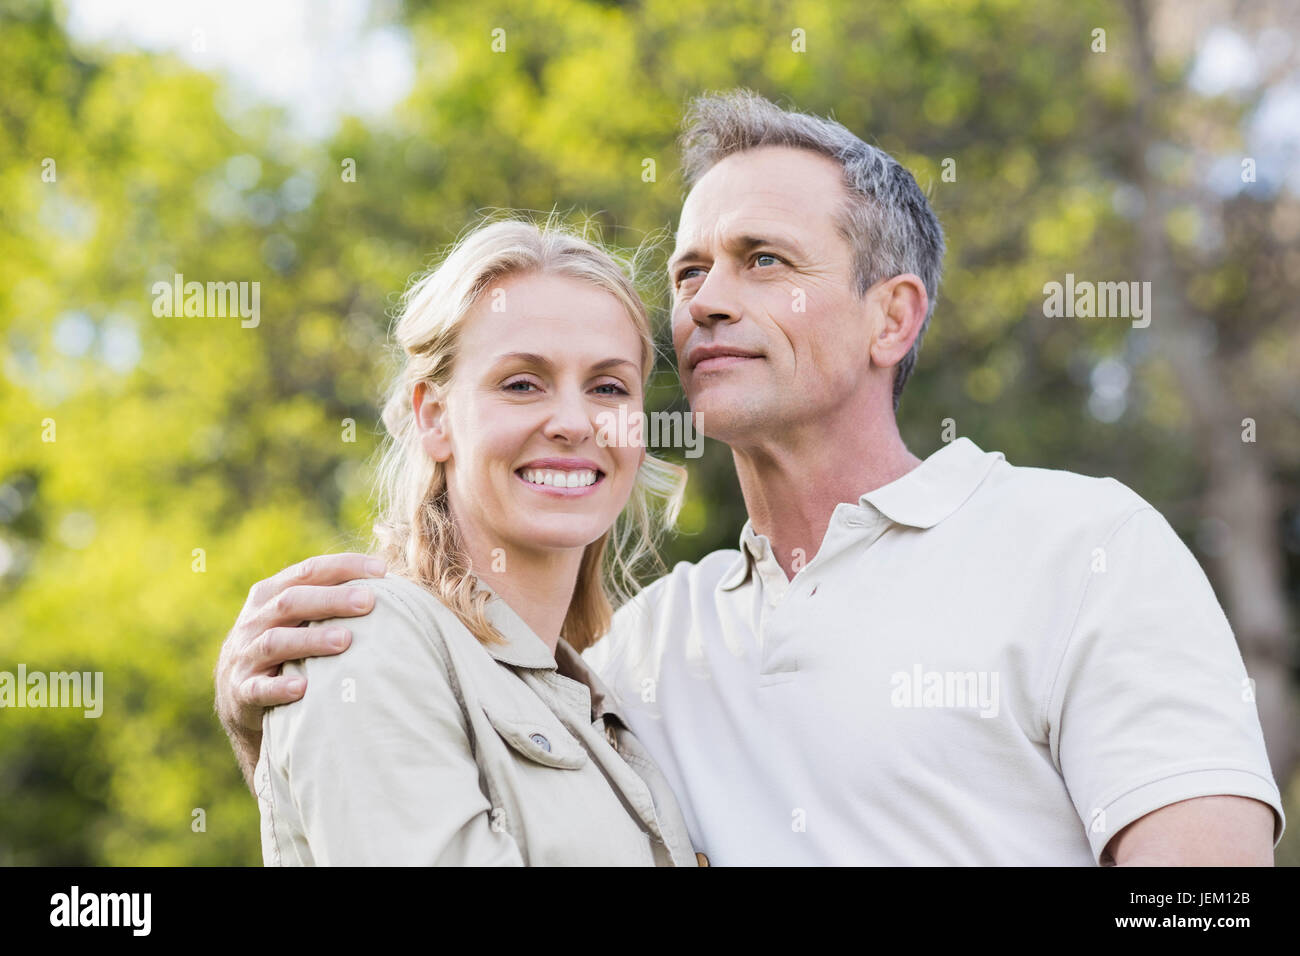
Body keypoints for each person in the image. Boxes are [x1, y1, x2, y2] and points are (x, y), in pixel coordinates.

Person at [218, 90, 1285, 866]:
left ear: (892, 315)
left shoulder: (1079, 541)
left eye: (762, 259)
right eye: (689, 271)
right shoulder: (631, 658)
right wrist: (270, 733)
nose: (705, 301)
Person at [252, 216, 698, 865]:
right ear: (434, 417)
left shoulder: (598, 698)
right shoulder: (369, 642)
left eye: (608, 387)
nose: (575, 423)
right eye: (522, 383)